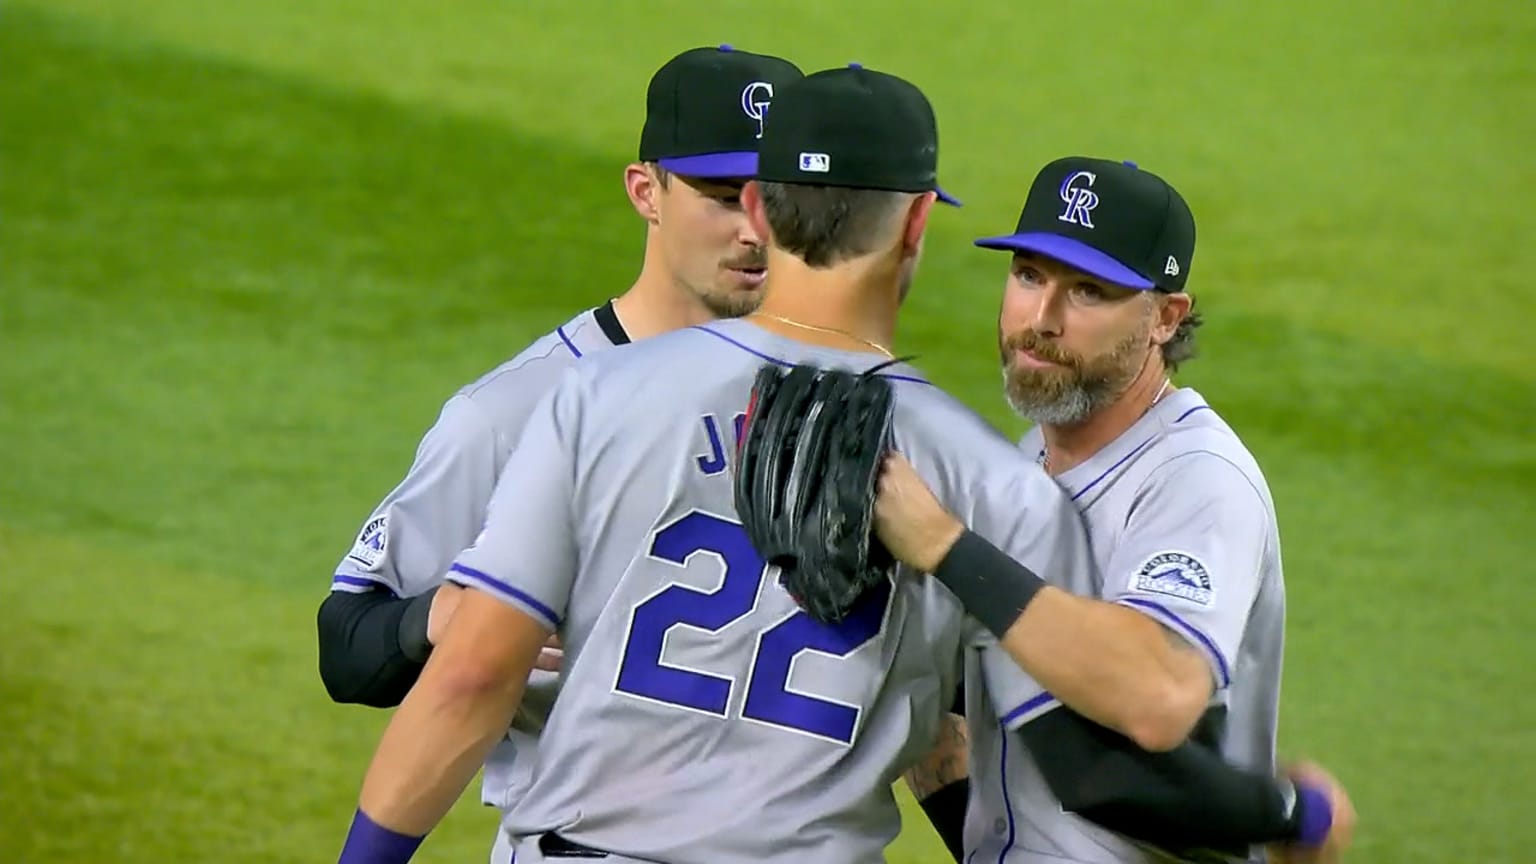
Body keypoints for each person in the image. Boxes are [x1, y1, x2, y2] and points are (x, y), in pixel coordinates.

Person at [332, 63, 1107, 864]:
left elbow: (468, 683)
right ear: (916, 222)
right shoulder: (981, 475)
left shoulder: (595, 399)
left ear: (763, 209)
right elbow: (1057, 744)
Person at [314, 42, 804, 862]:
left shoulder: (853, 412)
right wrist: (433, 619)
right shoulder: (512, 411)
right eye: (725, 197)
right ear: (646, 191)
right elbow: (346, 643)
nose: (757, 230)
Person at [873, 157, 1357, 862]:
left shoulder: (1196, 481)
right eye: (1030, 276)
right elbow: (961, 719)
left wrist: (949, 550)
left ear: (1165, 317)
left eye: (1090, 292)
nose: (1042, 320)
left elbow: (1157, 696)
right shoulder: (1027, 464)